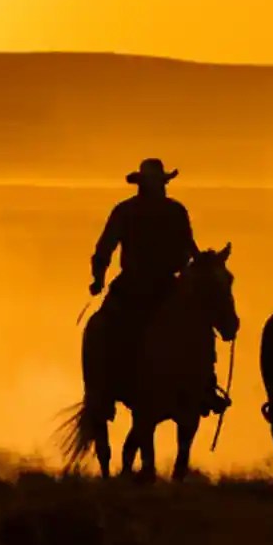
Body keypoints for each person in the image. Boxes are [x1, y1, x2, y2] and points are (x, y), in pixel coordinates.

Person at [86, 158, 230, 420]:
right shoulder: (126, 211)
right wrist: (98, 276)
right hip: (133, 284)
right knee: (109, 327)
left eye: (159, 183)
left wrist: (200, 266)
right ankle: (105, 388)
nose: (157, 187)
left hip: (166, 284)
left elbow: (188, 246)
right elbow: (104, 248)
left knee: (199, 327)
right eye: (154, 183)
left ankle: (205, 383)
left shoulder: (174, 211)